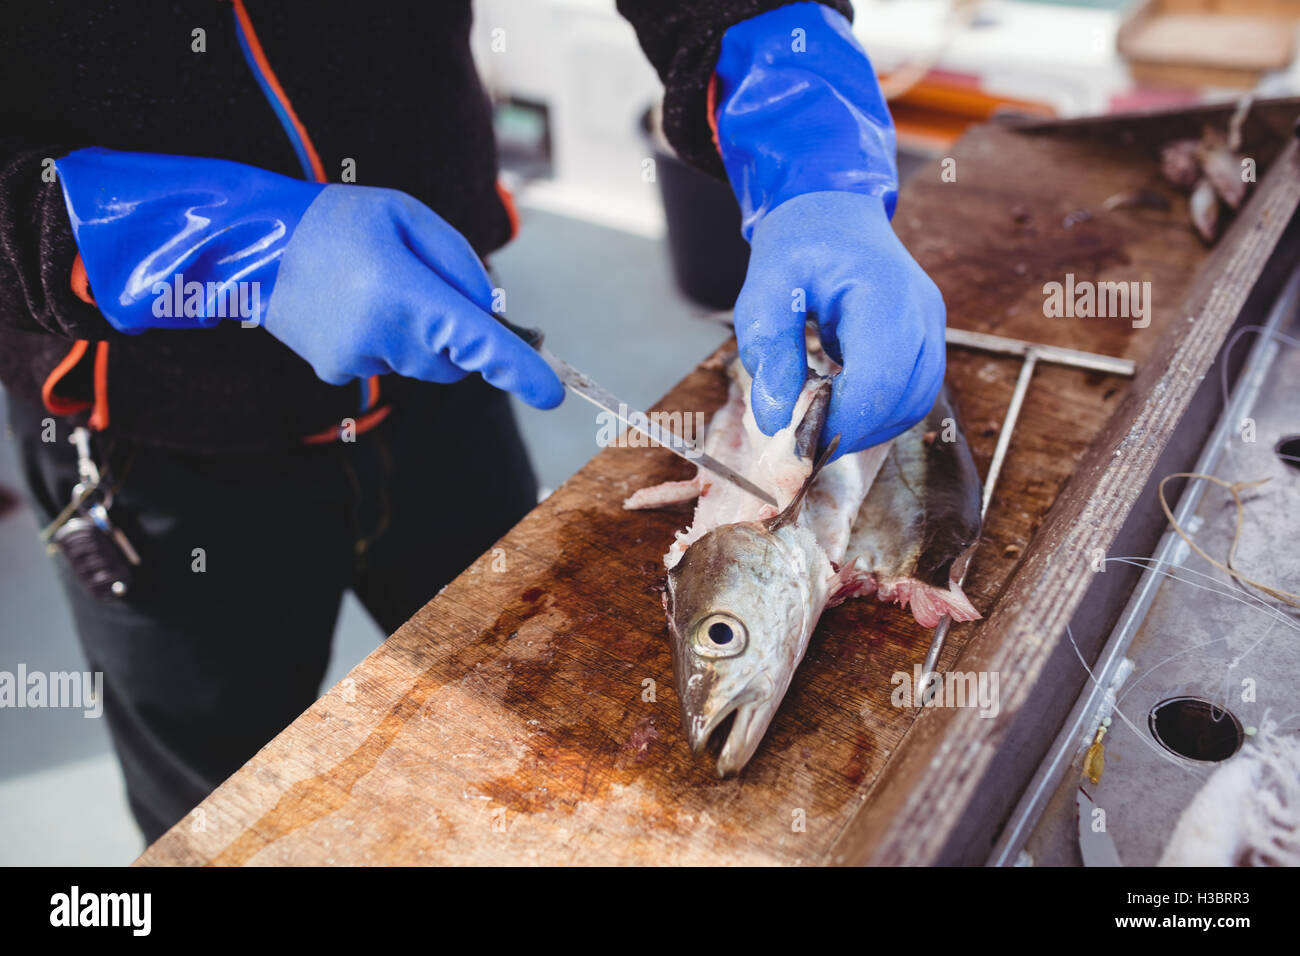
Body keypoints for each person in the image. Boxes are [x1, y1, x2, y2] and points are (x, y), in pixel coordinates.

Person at [0, 0, 944, 842]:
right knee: (215, 813)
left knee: (524, 695)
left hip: (446, 368)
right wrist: (206, 245)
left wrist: (815, 157)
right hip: (154, 454)